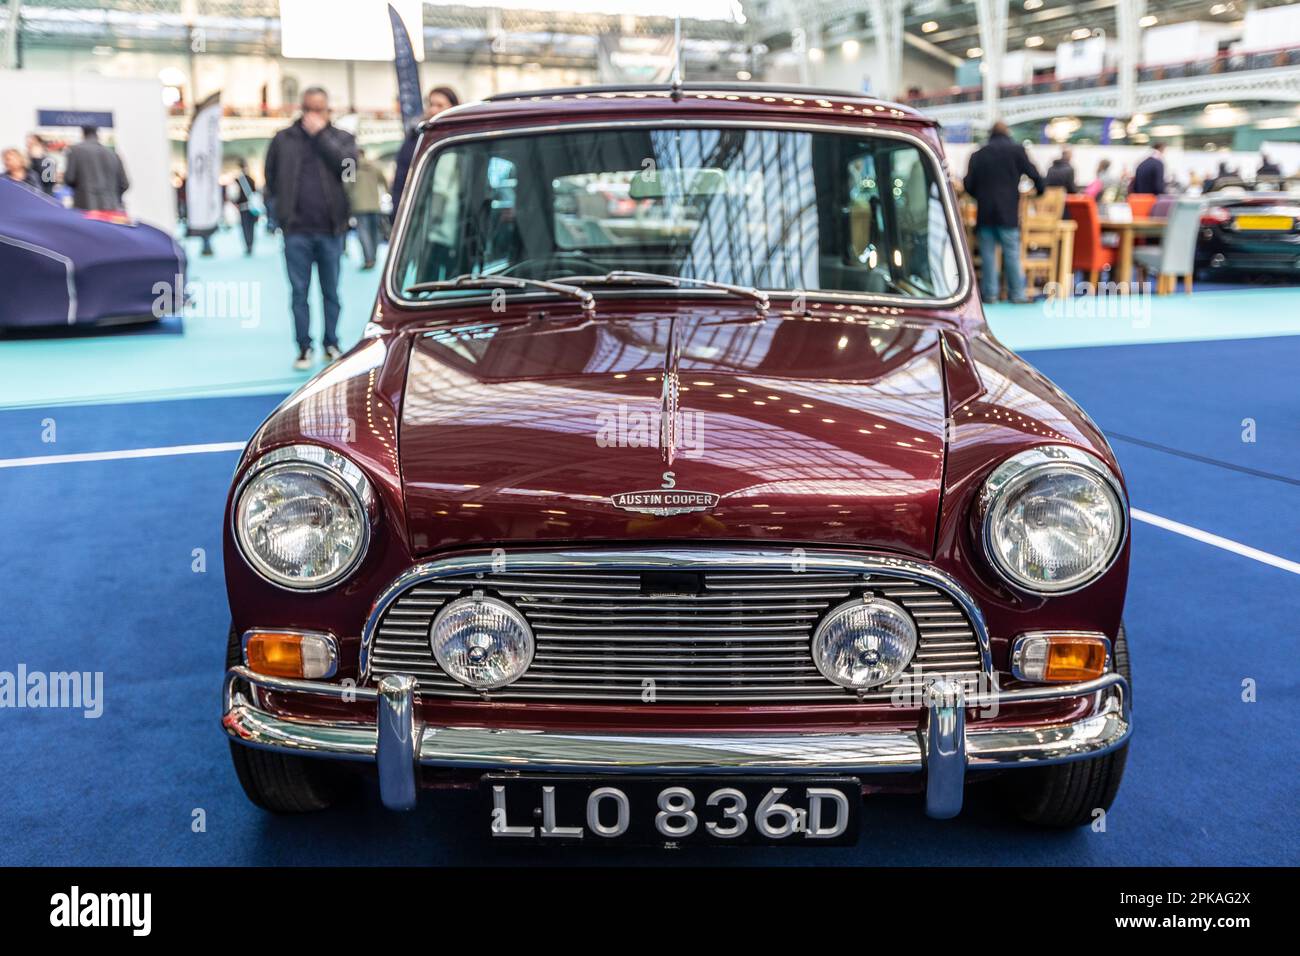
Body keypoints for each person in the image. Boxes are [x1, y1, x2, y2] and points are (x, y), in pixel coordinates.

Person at [264, 86, 358, 370]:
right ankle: (304, 347)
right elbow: (270, 180)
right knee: (299, 293)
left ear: (328, 111)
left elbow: (350, 170)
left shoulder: (342, 138)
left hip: (331, 230)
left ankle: (332, 342)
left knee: (331, 291)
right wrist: (279, 214)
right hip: (296, 232)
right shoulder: (283, 139)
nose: (313, 115)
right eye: (308, 109)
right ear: (301, 108)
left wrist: (322, 137)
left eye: (319, 109)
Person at [963, 120, 1044, 304]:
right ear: (1007, 133)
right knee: (1012, 253)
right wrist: (1040, 190)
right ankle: (1017, 294)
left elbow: (968, 184)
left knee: (988, 255)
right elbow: (1035, 175)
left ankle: (990, 294)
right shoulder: (1016, 151)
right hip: (1008, 211)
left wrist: (980, 195)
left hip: (985, 212)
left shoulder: (978, 155)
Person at [390, 85, 459, 218]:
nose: (433, 109)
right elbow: (401, 178)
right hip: (422, 214)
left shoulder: (463, 137)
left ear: (453, 107)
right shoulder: (416, 138)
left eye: (440, 105)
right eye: (431, 104)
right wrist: (398, 213)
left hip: (456, 212)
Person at [62, 126, 130, 212]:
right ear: (97, 135)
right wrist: (113, 198)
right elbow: (125, 184)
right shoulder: (113, 154)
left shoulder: (75, 150)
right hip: (112, 210)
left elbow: (69, 178)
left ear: (83, 134)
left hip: (85, 208)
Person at [348, 149, 388, 270]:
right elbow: (384, 181)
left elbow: (346, 186)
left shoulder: (350, 167)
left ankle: (368, 259)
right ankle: (373, 257)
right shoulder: (374, 166)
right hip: (375, 205)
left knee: (363, 233)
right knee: (374, 232)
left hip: (359, 206)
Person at [229, 158, 259, 256]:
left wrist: (236, 202)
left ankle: (248, 245)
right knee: (251, 227)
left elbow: (234, 196)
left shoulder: (237, 181)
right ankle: (251, 244)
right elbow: (255, 192)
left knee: (245, 227)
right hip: (252, 207)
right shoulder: (251, 179)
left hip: (243, 207)